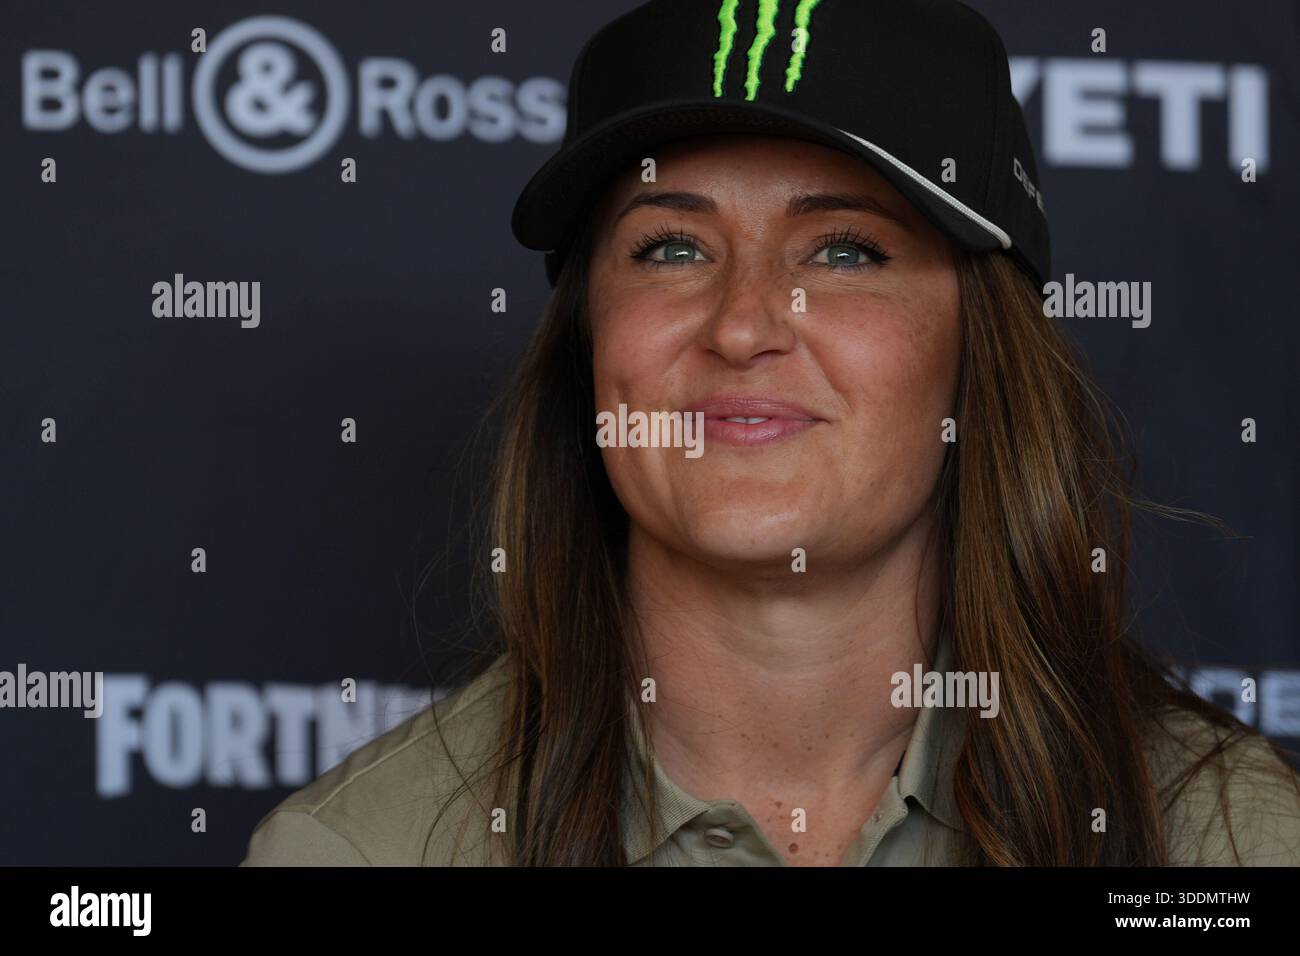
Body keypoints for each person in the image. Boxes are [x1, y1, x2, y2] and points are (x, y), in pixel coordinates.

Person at [241, 0, 1300, 866]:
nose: (745, 323)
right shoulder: (361, 852)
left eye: (843, 250)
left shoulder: (1222, 843)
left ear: (982, 355)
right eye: (668, 248)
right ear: (586, 346)